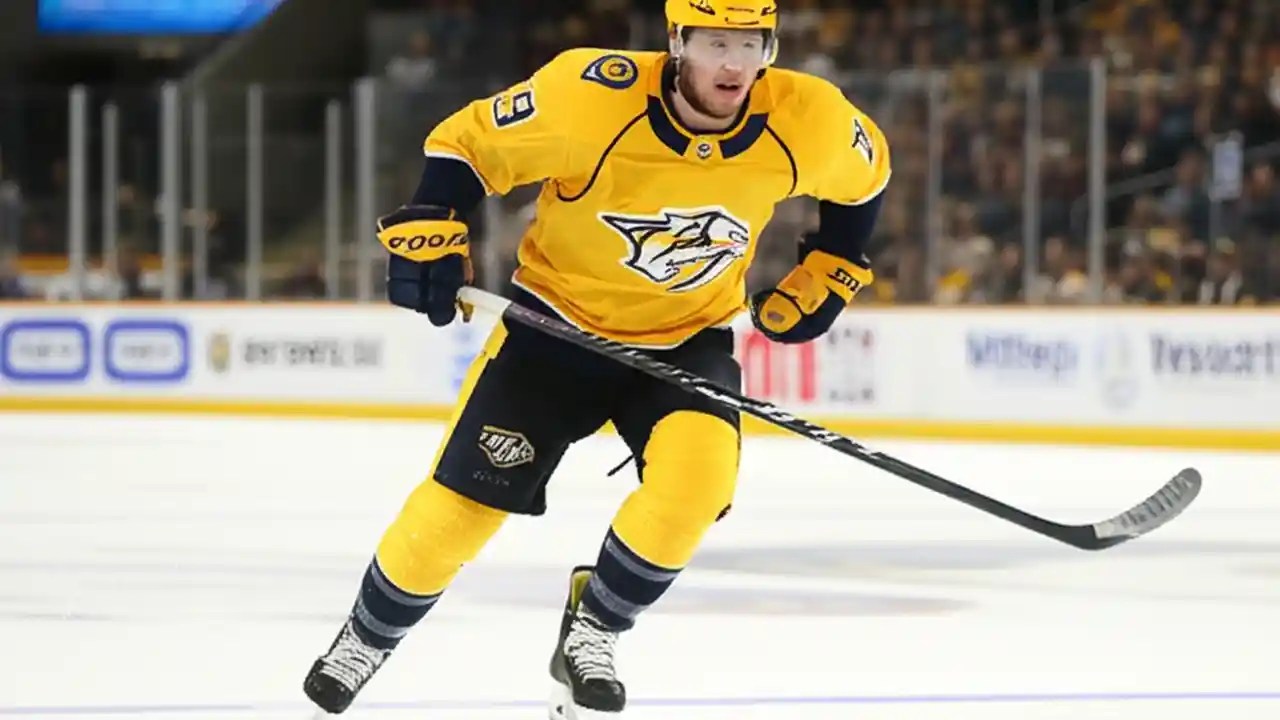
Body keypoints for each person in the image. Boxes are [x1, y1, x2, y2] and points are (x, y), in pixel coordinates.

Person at [303, 0, 891, 716]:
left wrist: (834, 262)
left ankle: (595, 626)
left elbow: (866, 179)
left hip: (686, 339)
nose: (733, 64)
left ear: (770, 48)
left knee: (697, 487)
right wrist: (438, 215)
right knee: (460, 511)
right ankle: (367, 637)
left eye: (749, 44)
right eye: (714, 43)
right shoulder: (590, 96)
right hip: (555, 332)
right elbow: (467, 144)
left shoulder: (810, 118)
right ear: (678, 42)